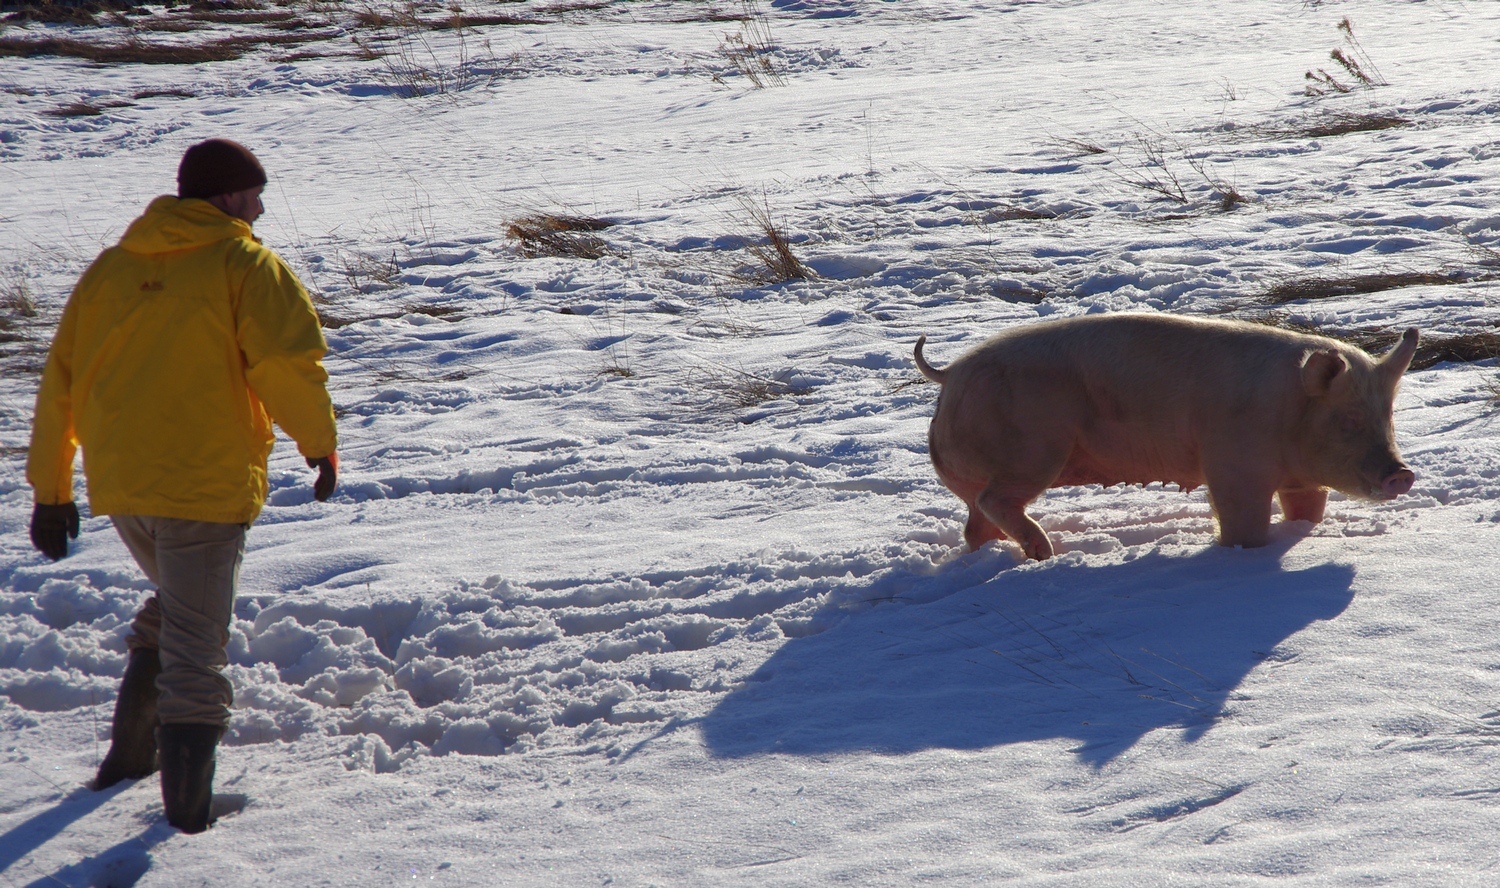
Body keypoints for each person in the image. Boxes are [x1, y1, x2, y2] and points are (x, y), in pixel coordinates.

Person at [26, 139, 339, 834]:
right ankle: (187, 819)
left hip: (124, 487)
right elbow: (286, 362)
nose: (260, 208)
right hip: (201, 483)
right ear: (227, 196)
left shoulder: (109, 271)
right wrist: (319, 446)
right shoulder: (243, 263)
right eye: (254, 194)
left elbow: (61, 384)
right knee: (199, 650)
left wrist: (52, 490)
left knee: (179, 605)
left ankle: (130, 757)